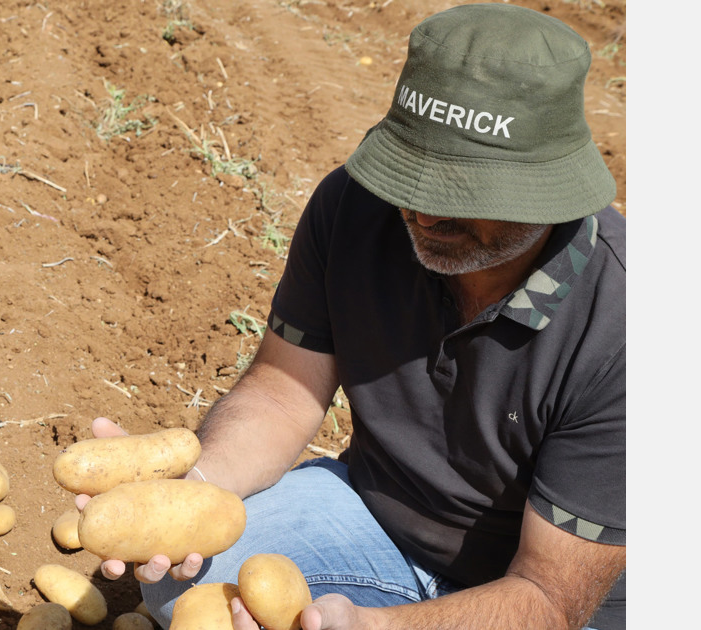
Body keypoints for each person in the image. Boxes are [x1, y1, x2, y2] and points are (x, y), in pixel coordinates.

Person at [77, 3, 625, 629]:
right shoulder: (355, 208)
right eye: (409, 175)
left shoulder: (625, 325)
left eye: (460, 194)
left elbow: (548, 599)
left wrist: (377, 627)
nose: (419, 212)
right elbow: (283, 395)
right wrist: (194, 484)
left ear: (546, 190)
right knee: (185, 586)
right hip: (382, 526)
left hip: (541, 593)